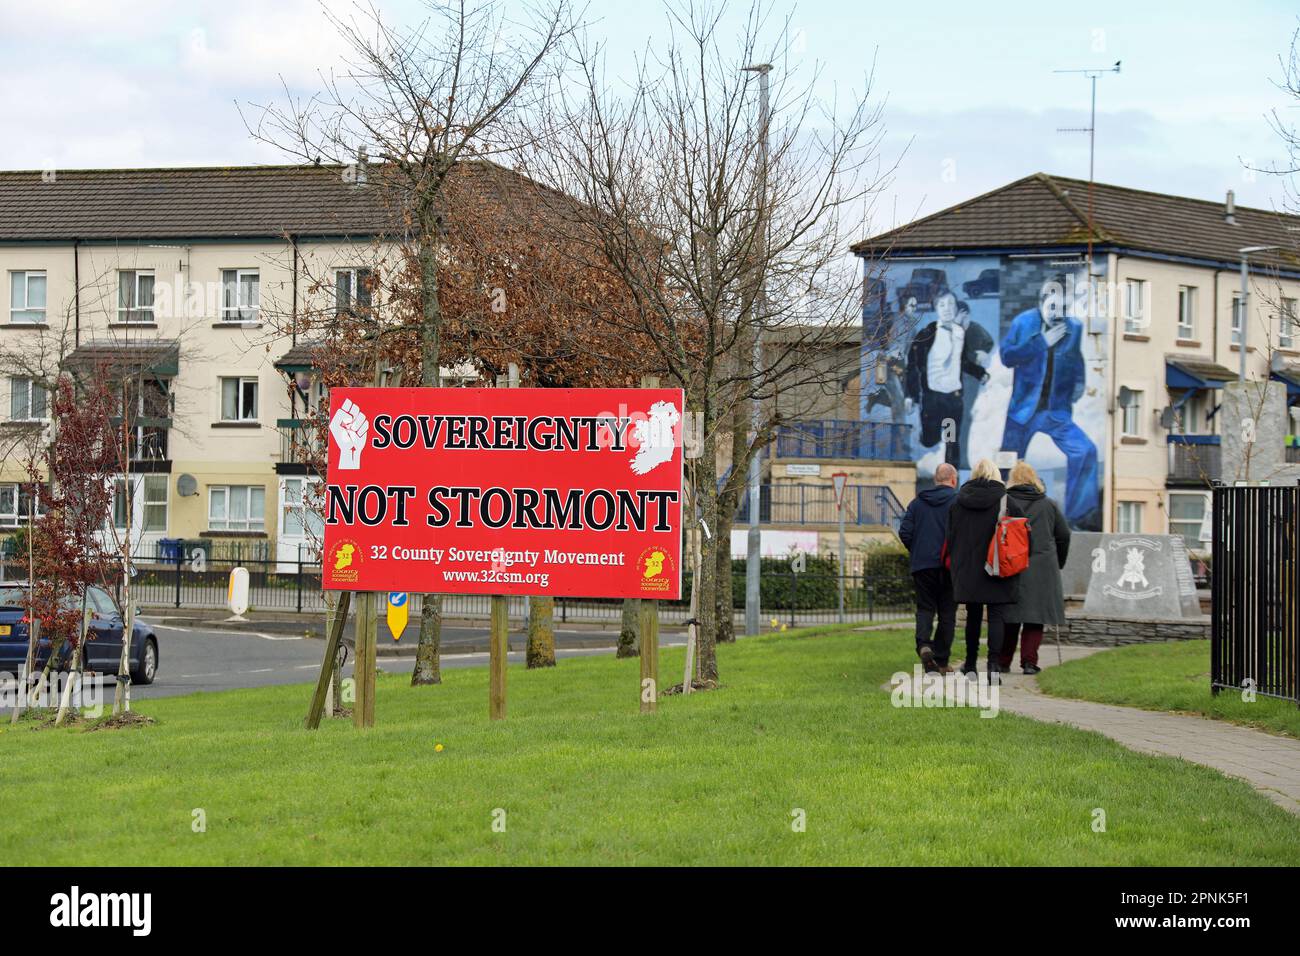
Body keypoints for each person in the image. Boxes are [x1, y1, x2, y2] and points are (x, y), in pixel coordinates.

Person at [999, 273, 1100, 529]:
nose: (1059, 314)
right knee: (1008, 462)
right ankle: (1001, 511)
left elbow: (1076, 361)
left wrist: (1076, 388)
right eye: (1053, 307)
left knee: (1086, 451)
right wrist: (1042, 343)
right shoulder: (1024, 323)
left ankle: (1075, 518)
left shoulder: (1074, 328)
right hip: (1023, 410)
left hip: (1055, 412)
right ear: (1041, 302)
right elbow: (1007, 356)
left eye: (1064, 308)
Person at [945, 457, 1025, 682]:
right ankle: (993, 666)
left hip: (968, 570)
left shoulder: (958, 503)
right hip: (998, 567)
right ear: (996, 475)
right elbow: (1023, 537)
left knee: (973, 616)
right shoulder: (1007, 502)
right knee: (997, 616)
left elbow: (950, 538)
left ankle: (970, 665)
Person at [1000, 461, 1070, 675]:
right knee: (1035, 617)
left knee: (1010, 617)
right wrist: (1058, 561)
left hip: (1012, 564)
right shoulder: (1049, 504)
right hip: (1042, 566)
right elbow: (1064, 535)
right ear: (1034, 479)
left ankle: (1003, 662)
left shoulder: (1004, 503)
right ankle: (1029, 662)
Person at [905, 291, 985, 467]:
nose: (947, 309)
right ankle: (926, 435)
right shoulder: (926, 334)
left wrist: (980, 373)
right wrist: (910, 395)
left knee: (951, 442)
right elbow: (912, 366)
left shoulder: (960, 333)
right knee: (929, 440)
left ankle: (951, 483)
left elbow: (961, 361)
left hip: (952, 400)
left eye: (951, 304)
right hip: (933, 398)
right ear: (936, 309)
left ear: (956, 308)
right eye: (942, 305)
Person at [898, 463, 959, 673]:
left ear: (935, 479)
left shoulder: (917, 503)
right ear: (953, 480)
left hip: (923, 566)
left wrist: (916, 550)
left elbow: (905, 532)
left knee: (925, 609)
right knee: (947, 613)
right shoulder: (958, 502)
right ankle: (941, 660)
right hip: (950, 567)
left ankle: (924, 644)